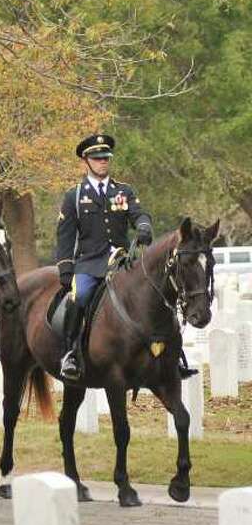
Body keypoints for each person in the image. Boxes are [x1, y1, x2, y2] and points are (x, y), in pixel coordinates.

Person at [56, 134, 156, 380]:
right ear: (85, 161)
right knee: (79, 297)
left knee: (152, 293)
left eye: (106, 158)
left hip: (122, 262)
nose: (103, 162)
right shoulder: (74, 196)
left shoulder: (123, 190)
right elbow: (65, 236)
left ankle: (167, 354)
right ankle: (70, 353)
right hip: (90, 263)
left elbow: (139, 214)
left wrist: (144, 226)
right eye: (97, 158)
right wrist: (66, 270)